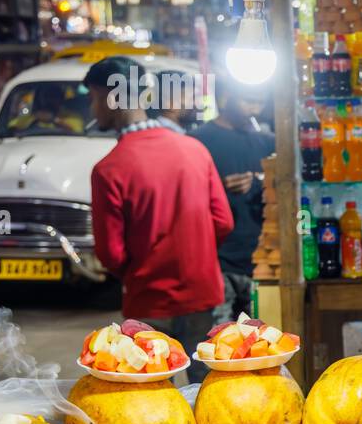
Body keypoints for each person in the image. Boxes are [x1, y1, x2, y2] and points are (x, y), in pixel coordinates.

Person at [85, 57, 233, 384]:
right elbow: (223, 222)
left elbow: (111, 253)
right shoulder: (194, 149)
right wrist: (199, 256)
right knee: (208, 387)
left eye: (93, 98)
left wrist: (145, 269)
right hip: (203, 292)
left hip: (149, 298)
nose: (92, 109)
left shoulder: (109, 169)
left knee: (152, 392)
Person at [192, 75, 276, 325]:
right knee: (218, 343)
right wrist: (218, 189)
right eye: (248, 101)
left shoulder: (267, 141)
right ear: (226, 97)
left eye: (260, 103)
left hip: (260, 258)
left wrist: (260, 181)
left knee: (260, 343)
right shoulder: (198, 141)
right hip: (217, 259)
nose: (254, 109)